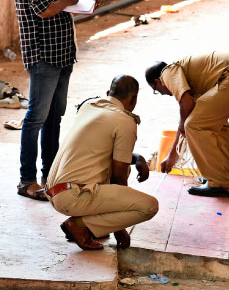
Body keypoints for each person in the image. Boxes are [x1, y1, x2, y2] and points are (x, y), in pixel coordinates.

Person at [13, 0, 103, 201]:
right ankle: (26, 180)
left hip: (61, 55)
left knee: (54, 116)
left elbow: (59, 5)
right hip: (43, 57)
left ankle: (49, 174)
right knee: (36, 118)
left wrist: (84, 3)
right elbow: (43, 10)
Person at [45, 75, 158, 250]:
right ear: (134, 99)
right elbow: (119, 178)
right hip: (73, 197)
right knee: (149, 206)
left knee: (121, 165)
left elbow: (100, 147)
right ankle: (80, 225)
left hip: (54, 191)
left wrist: (136, 158)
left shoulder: (89, 105)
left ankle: (90, 224)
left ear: (108, 93)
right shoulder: (125, 121)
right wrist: (119, 229)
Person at [144, 52, 229, 197]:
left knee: (195, 125)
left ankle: (218, 182)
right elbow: (187, 116)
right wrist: (172, 155)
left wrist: (173, 153)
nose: (163, 94)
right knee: (217, 127)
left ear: (158, 81)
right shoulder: (191, 78)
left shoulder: (168, 72)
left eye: (156, 91)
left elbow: (186, 108)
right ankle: (224, 180)